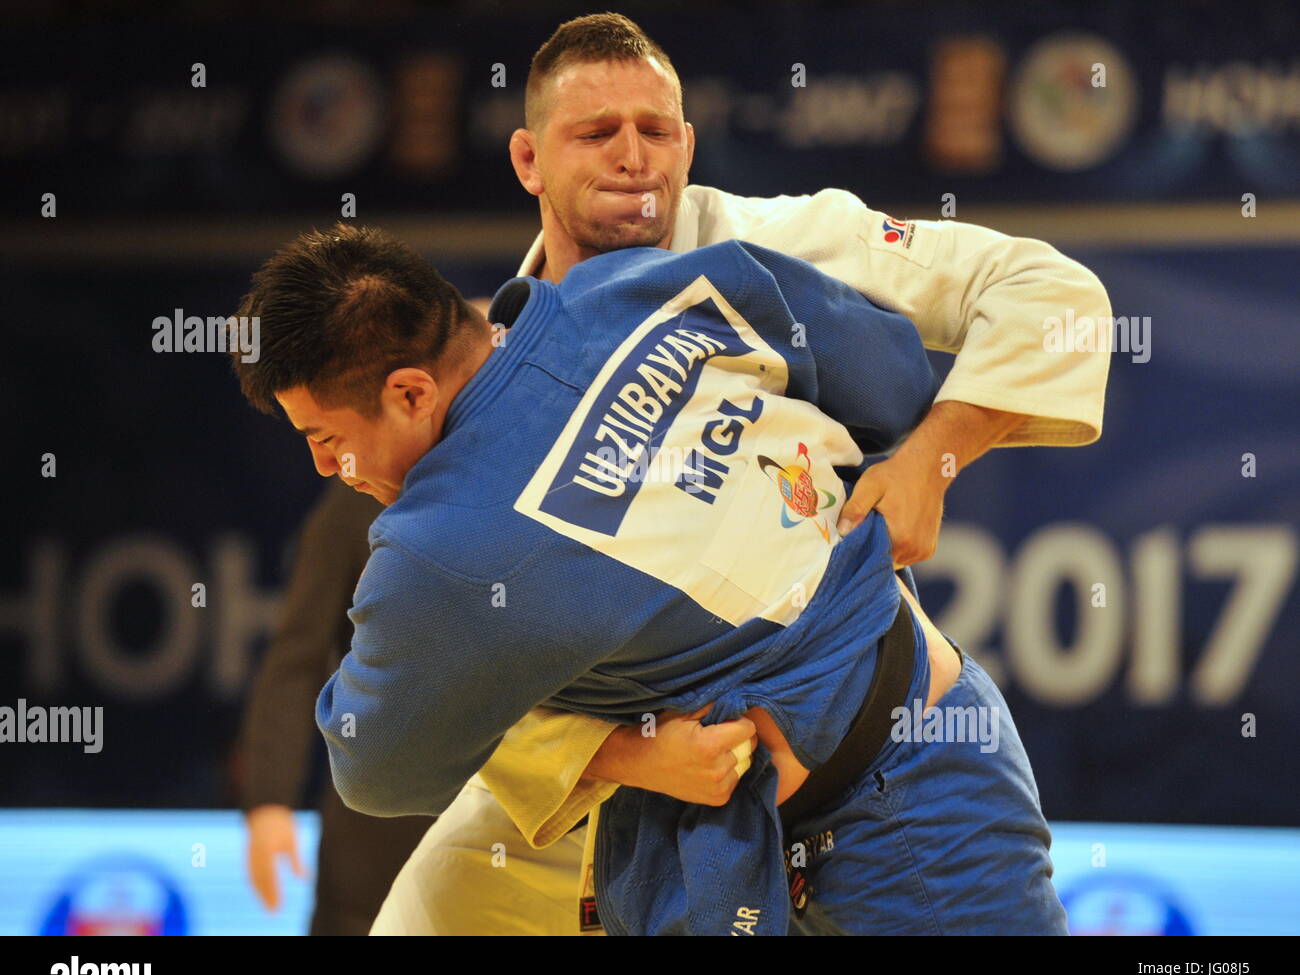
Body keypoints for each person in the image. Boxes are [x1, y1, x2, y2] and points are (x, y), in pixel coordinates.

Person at [369, 13, 1110, 935]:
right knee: (421, 921)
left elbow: (1054, 294)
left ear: (686, 142)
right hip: (609, 791)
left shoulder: (773, 245)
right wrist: (624, 758)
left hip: (851, 745)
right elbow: (454, 670)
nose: (634, 157)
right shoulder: (482, 375)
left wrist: (936, 454)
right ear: (528, 160)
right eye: (597, 133)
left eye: (657, 131)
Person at [229, 221, 1067, 935]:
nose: (327, 466)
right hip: (910, 751)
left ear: (410, 392)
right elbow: (888, 374)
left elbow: (376, 770)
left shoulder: (436, 553)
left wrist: (605, 740)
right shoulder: (648, 278)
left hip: (899, 829)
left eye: (325, 437)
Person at [237, 478, 430, 934]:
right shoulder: (355, 499)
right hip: (372, 824)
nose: (324, 462)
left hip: (501, 810)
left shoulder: (518, 480)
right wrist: (269, 799)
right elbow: (296, 659)